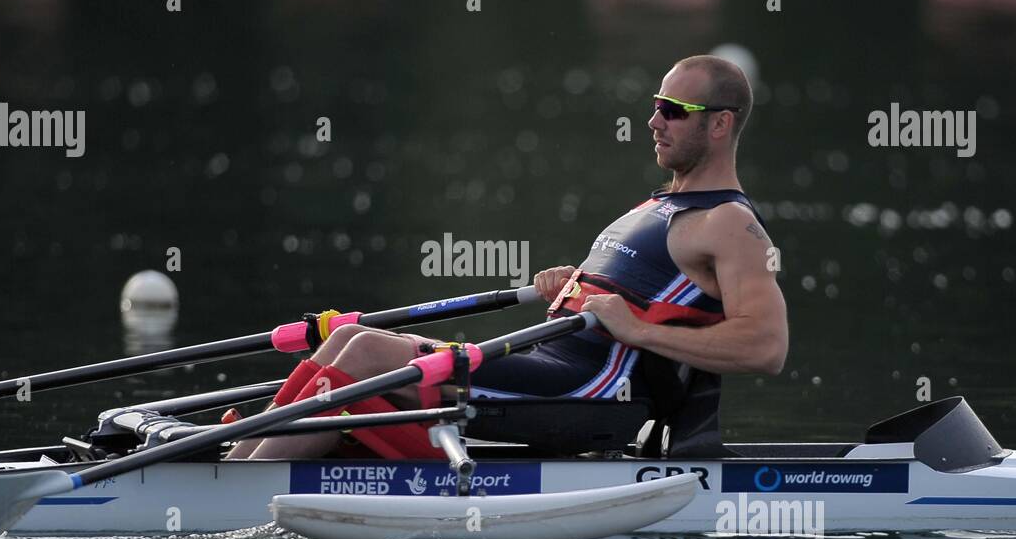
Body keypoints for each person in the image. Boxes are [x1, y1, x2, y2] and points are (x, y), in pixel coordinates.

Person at [225, 55, 787, 461]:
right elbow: (640, 292)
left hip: (587, 394)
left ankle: (241, 486)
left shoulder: (730, 224)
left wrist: (635, 329)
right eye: (655, 105)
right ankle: (240, 465)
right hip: (553, 365)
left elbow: (766, 347)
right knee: (349, 338)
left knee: (369, 348)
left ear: (720, 124)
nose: (654, 120)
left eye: (674, 109)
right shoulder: (657, 205)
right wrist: (573, 286)